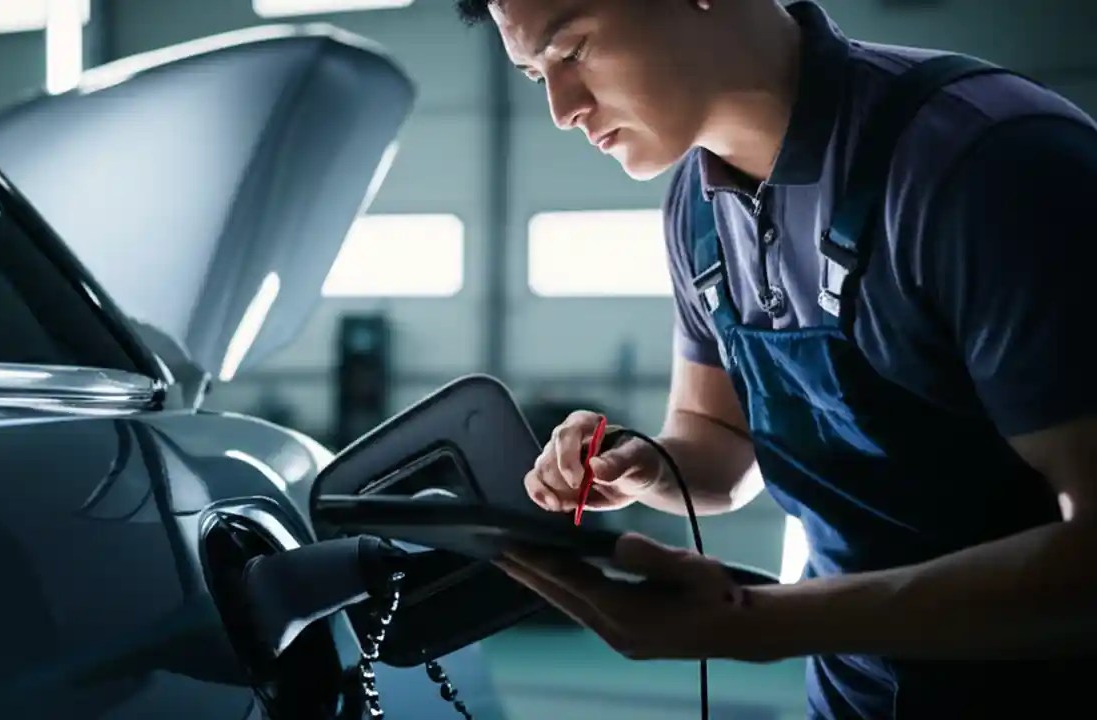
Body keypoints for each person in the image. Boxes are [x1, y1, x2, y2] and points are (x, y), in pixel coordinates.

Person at [452, 0, 1097, 717]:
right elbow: (719, 449)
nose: (562, 109)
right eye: (533, 73)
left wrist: (760, 624)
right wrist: (639, 462)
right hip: (855, 691)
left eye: (571, 51)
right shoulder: (697, 207)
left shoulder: (989, 166)